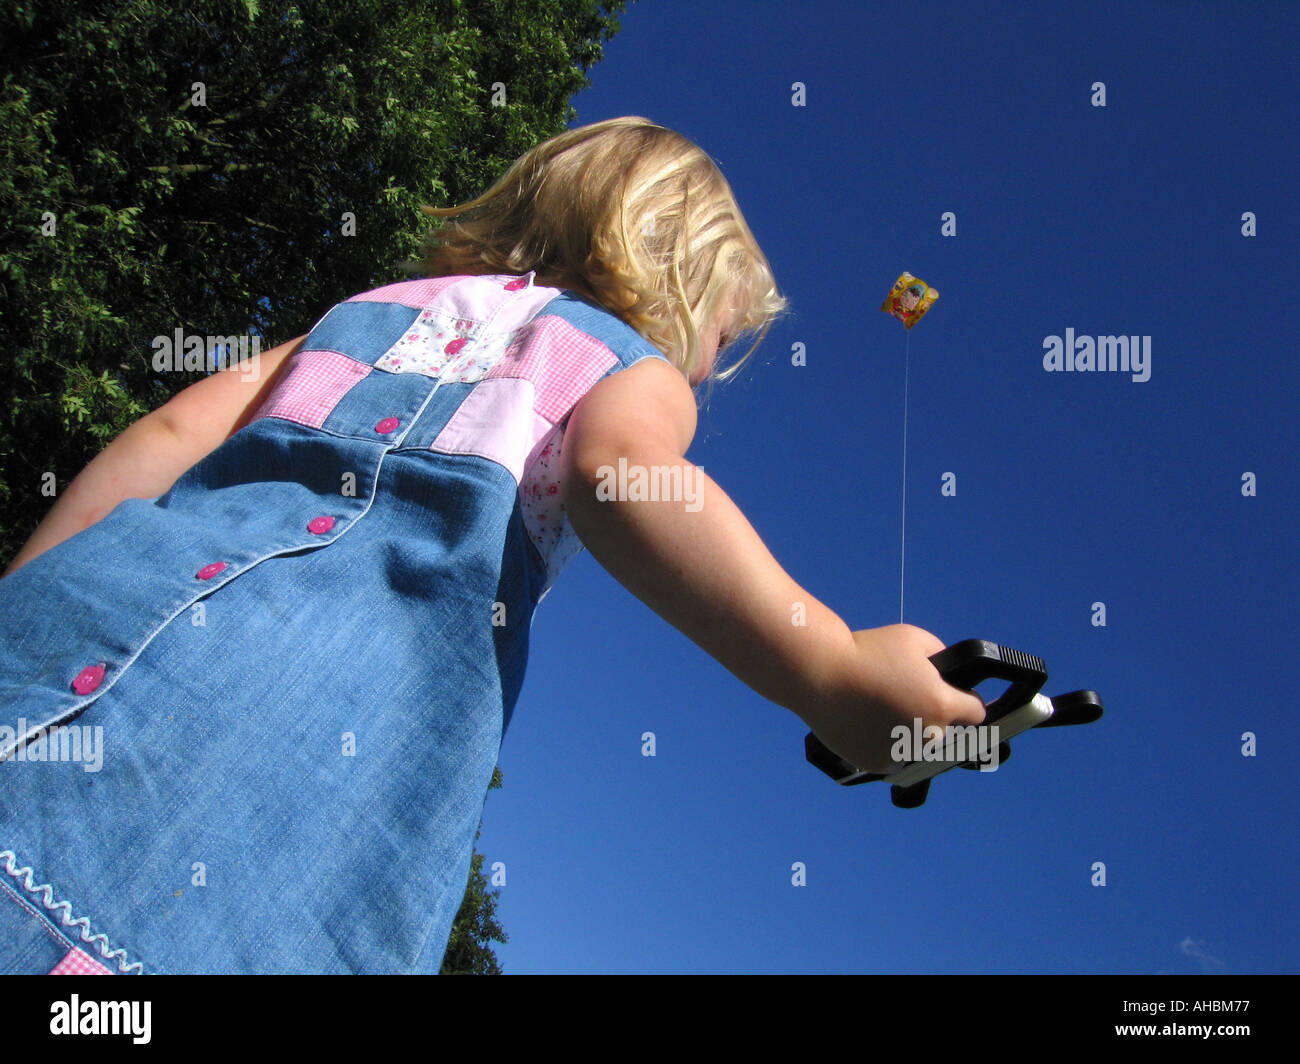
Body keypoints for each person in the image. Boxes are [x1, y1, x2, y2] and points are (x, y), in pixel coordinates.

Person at [0, 116, 984, 974]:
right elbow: (618, 476)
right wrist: (833, 665)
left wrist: (26, 603)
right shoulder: (626, 365)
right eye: (720, 337)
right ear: (676, 284)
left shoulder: (365, 312)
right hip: (258, 795)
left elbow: (165, 437)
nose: (713, 367)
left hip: (55, 655)